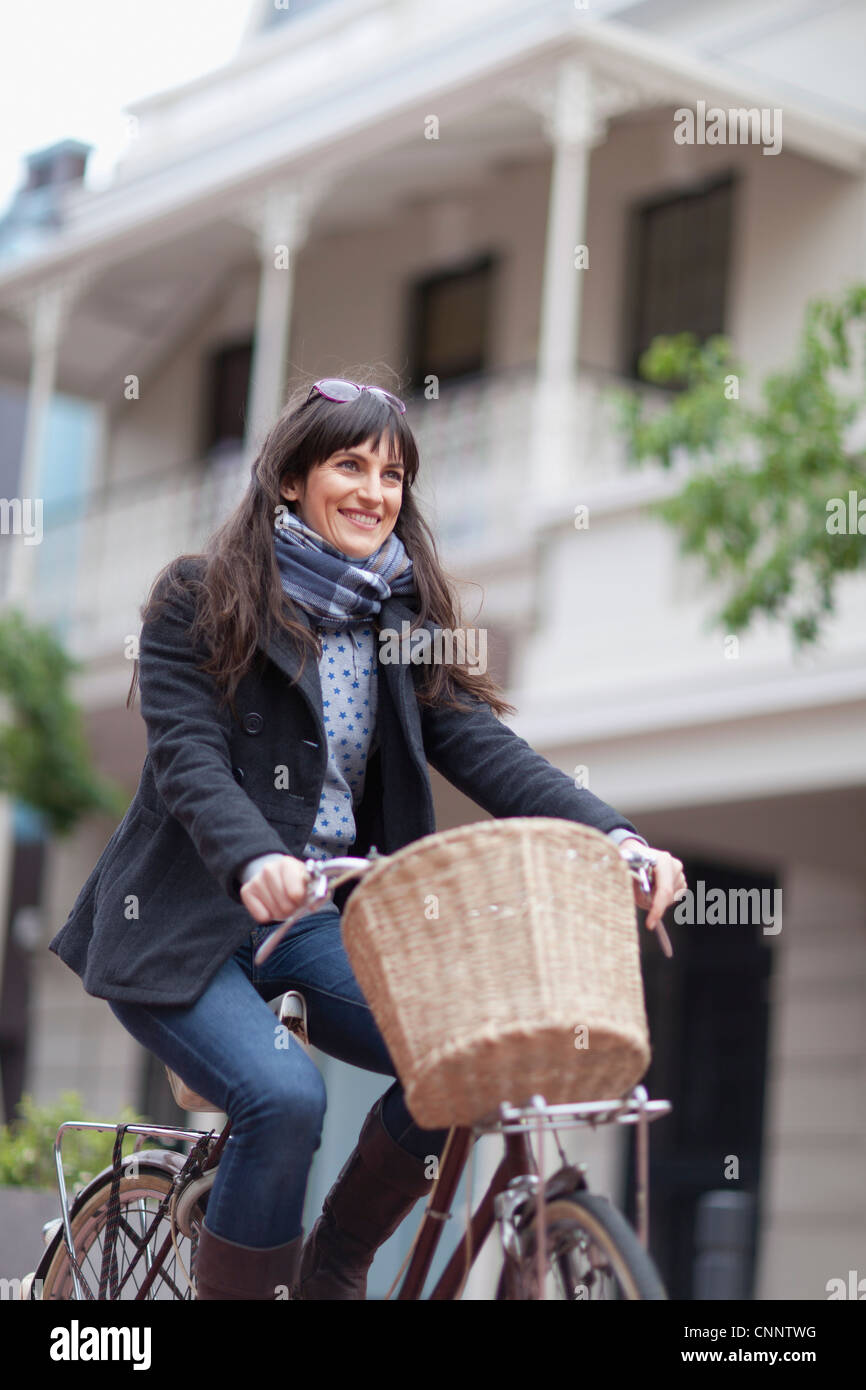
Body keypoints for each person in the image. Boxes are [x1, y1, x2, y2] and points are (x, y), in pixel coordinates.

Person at [48, 375, 686, 1301]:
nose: (375, 491)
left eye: (393, 475)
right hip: (183, 920)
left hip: (318, 925)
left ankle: (334, 1266)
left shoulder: (397, 622)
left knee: (464, 1056)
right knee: (286, 1099)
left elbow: (486, 748)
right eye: (350, 464)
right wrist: (254, 856)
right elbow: (188, 758)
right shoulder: (201, 597)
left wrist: (617, 837)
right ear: (292, 479)